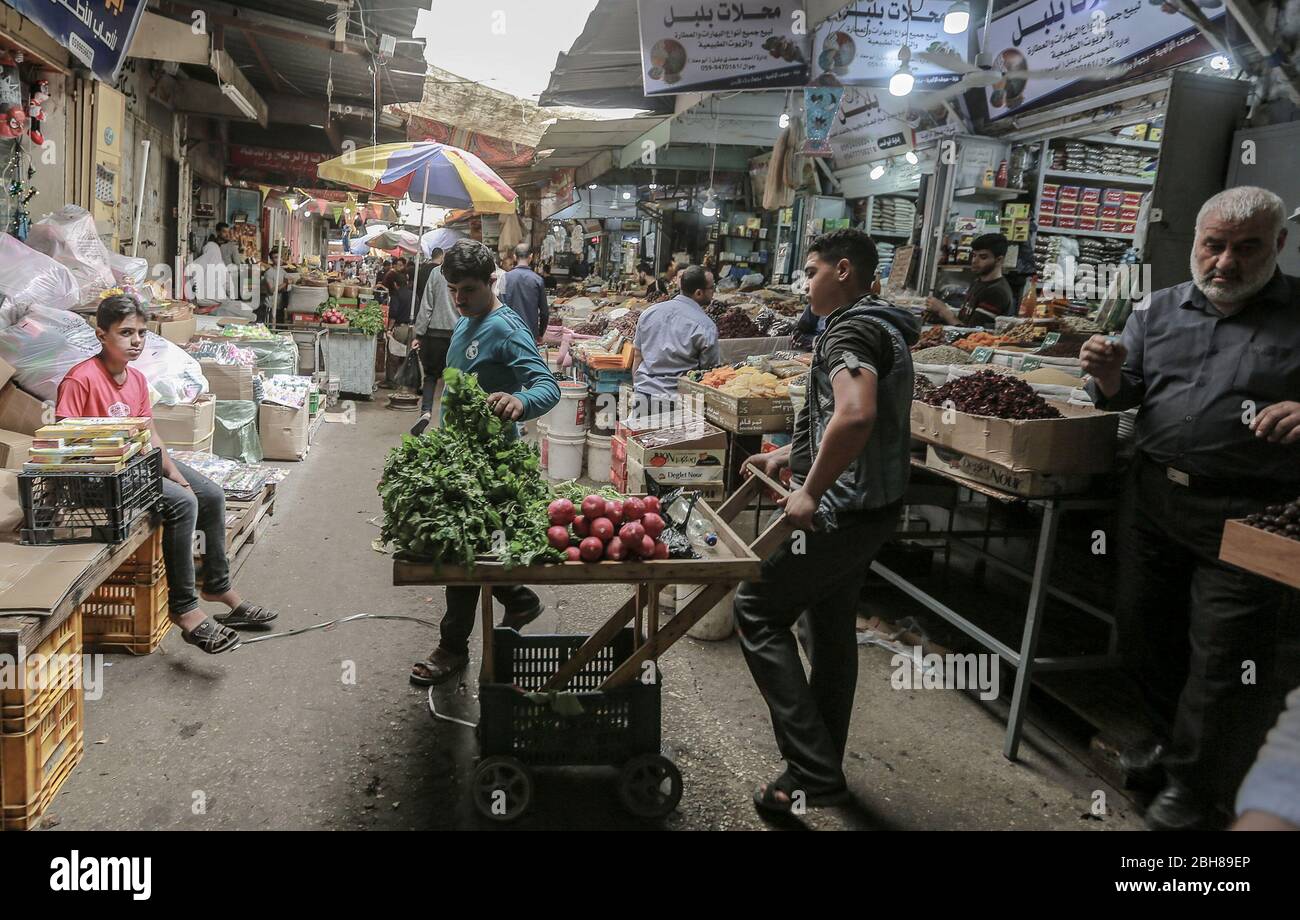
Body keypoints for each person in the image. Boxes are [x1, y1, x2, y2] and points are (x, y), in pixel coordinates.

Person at [1079, 186, 1300, 831]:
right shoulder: (1157, 310)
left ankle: (1197, 789)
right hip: (1154, 497)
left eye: (1246, 247)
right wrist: (1112, 376)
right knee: (1146, 631)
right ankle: (1170, 742)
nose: (1226, 262)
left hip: (1251, 509)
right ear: (1196, 244)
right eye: (1214, 245)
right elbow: (1127, 394)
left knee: (1226, 655)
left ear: (1278, 244)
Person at [735, 228, 919, 816]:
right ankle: (814, 771)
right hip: (875, 507)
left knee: (757, 608)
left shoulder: (851, 330)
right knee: (832, 631)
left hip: (843, 511)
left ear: (843, 270)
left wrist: (809, 491)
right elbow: (862, 421)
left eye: (810, 270)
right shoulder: (883, 323)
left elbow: (858, 415)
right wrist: (792, 454)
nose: (803, 282)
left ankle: (812, 768)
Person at [56, 295, 278, 655]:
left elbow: (149, 433)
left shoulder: (137, 380)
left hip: (136, 464)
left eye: (142, 333)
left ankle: (217, 585)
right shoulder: (80, 380)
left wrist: (175, 471)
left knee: (209, 493)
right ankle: (185, 609)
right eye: (126, 333)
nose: (136, 341)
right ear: (101, 335)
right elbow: (63, 440)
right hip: (99, 478)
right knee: (183, 503)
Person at [409, 240, 561, 686]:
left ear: (492, 281)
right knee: (478, 551)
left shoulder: (506, 328)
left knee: (465, 555)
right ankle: (518, 598)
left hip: (492, 464)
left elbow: (547, 386)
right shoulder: (467, 317)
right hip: (458, 453)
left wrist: (520, 399)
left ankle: (451, 648)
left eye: (468, 290)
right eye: (452, 288)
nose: (458, 299)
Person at [631, 264, 721, 419]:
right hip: (678, 403)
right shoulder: (705, 326)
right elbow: (708, 372)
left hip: (644, 395)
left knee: (642, 442)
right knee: (670, 443)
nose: (714, 292)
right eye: (712, 287)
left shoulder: (649, 313)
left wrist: (637, 387)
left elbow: (638, 356)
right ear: (699, 293)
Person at [409, 248, 455, 436]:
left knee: (430, 376)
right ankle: (449, 422)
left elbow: (426, 305)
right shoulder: (464, 275)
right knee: (454, 379)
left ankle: (426, 412)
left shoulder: (437, 273)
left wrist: (419, 334)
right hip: (457, 334)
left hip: (434, 334)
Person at [925, 233, 1014, 328]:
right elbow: (965, 317)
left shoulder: (997, 292)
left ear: (999, 260)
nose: (975, 261)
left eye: (983, 257)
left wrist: (943, 311)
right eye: (974, 255)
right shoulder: (978, 282)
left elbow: (972, 333)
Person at [501, 243, 549, 339]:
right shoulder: (537, 280)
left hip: (508, 332)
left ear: (514, 257)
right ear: (530, 257)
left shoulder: (504, 278)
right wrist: (540, 333)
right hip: (530, 333)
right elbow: (544, 312)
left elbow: (500, 307)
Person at [259, 250, 289, 325]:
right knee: (270, 326)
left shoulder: (282, 271)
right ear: (272, 260)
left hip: (280, 305)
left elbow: (290, 279)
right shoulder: (269, 273)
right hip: (271, 305)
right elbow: (272, 290)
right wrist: (286, 283)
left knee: (279, 327)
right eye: (276, 257)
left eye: (280, 257)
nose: (279, 259)